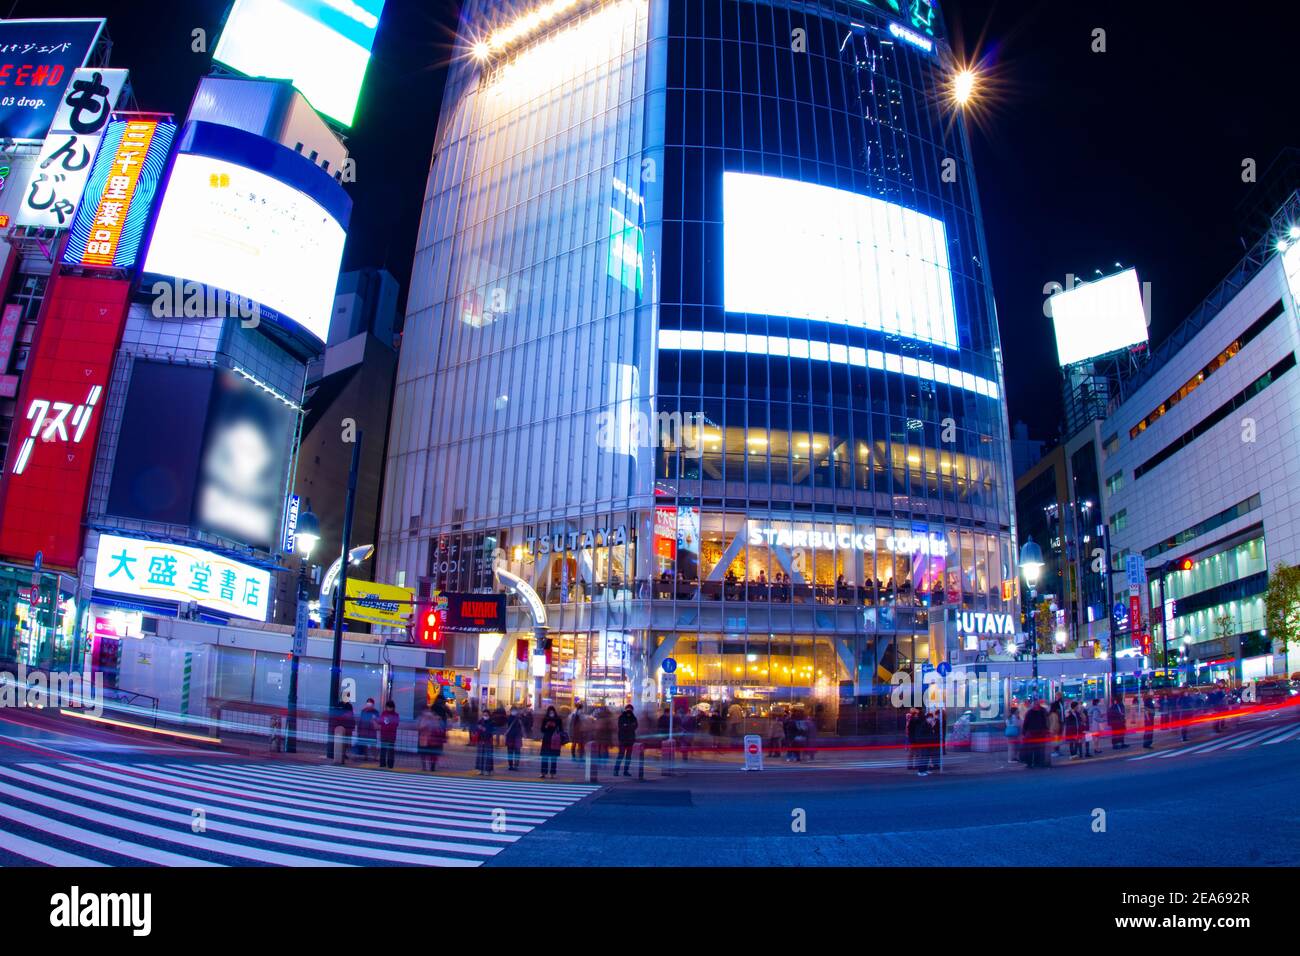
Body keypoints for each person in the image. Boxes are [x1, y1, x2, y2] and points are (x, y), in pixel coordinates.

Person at [420, 701, 449, 771]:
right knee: (432, 754)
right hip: (432, 739)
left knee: (426, 753)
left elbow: (421, 727)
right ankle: (431, 767)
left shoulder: (426, 717)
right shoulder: (436, 718)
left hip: (427, 739)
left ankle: (426, 767)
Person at [1020, 700, 1049, 768]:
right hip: (1037, 734)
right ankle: (1036, 762)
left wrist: (1024, 732)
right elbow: (1045, 722)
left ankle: (1032, 763)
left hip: (1033, 734)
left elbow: (1026, 723)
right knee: (1038, 749)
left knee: (1032, 749)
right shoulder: (1042, 712)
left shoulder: (1031, 712)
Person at [539, 705, 564, 778]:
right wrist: (547, 725)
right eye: (550, 712)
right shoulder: (545, 719)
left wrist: (555, 726)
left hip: (555, 740)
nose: (551, 713)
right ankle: (543, 773)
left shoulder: (558, 719)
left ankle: (552, 773)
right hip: (546, 739)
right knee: (545, 757)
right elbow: (542, 730)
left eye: (552, 712)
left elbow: (561, 730)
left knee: (553, 757)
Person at [614, 704, 638, 777]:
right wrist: (630, 726)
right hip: (624, 739)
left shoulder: (633, 717)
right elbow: (622, 727)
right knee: (622, 755)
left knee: (627, 756)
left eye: (630, 709)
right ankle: (617, 771)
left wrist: (627, 726)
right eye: (628, 709)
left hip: (628, 740)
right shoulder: (622, 717)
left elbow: (635, 726)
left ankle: (623, 771)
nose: (629, 711)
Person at [377, 699, 400, 769]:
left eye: (390, 707)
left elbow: (396, 724)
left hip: (391, 735)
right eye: (388, 707)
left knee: (390, 751)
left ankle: (390, 764)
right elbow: (380, 722)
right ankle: (382, 763)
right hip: (384, 734)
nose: (389, 708)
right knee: (383, 750)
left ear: (393, 707)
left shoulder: (396, 715)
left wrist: (388, 723)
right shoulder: (384, 713)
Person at [505, 706, 526, 771]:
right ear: (510, 711)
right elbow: (506, 726)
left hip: (517, 736)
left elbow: (524, 725)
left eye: (515, 710)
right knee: (510, 751)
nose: (514, 712)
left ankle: (516, 765)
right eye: (512, 710)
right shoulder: (508, 718)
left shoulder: (520, 718)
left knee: (517, 752)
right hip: (510, 736)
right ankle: (510, 765)